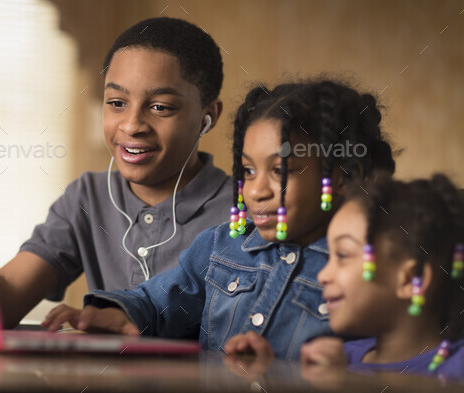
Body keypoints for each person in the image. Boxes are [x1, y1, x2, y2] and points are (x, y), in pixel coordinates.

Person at [0, 17, 232, 328]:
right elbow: (3, 300)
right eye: (116, 102)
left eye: (160, 107)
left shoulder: (245, 212)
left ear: (209, 115)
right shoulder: (87, 198)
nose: (131, 125)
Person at [42, 78, 396, 360]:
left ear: (344, 177)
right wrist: (120, 313)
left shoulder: (367, 267)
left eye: (279, 171)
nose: (256, 191)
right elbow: (157, 302)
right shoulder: (221, 246)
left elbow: (399, 354)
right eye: (248, 171)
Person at [300, 174, 464, 379]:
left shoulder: (457, 371)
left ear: (412, 279)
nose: (322, 275)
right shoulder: (340, 358)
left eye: (343, 254)